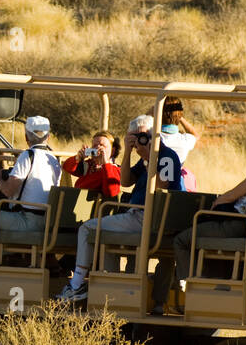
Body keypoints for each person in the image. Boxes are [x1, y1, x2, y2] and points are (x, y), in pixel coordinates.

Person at [151, 128, 246, 317]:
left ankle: (188, 287)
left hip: (238, 224)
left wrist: (217, 203)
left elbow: (231, 195)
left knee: (181, 240)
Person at [56, 114, 184, 302]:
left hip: (149, 218)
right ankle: (111, 292)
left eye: (142, 136)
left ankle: (76, 285)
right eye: (134, 136)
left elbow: (162, 187)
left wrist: (148, 155)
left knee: (87, 229)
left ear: (154, 135)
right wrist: (128, 153)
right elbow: (125, 181)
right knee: (105, 238)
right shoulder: (144, 158)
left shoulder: (166, 156)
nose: (139, 140)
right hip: (138, 215)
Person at [0, 115, 62, 262]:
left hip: (27, 222)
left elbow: (9, 191)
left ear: (26, 137)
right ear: (48, 136)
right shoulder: (54, 159)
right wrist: (2, 167)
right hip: (47, 221)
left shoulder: (27, 155)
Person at [62, 130, 121, 201]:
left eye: (102, 146)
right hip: (76, 200)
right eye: (94, 146)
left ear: (112, 151)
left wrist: (105, 163)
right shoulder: (88, 165)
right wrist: (78, 158)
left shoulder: (115, 169)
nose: (98, 147)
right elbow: (67, 167)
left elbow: (111, 192)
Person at [157, 96, 198, 190]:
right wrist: (179, 117)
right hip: (176, 188)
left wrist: (155, 110)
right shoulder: (185, 140)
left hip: (153, 187)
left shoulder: (152, 138)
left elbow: (142, 123)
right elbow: (194, 134)